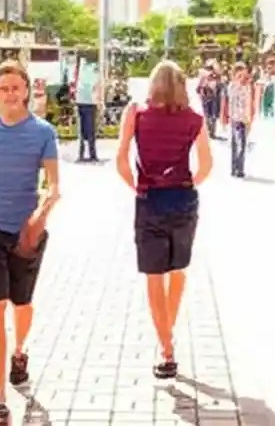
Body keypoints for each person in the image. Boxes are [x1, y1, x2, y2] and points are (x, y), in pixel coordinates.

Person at [0, 60, 61, 426]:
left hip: (27, 232)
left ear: (26, 90)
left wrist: (41, 214)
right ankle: (0, 399)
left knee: (21, 306)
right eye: (3, 88)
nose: (9, 94)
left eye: (15, 87)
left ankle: (19, 352)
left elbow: (54, 186)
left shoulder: (43, 132)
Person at [115, 60, 212, 379]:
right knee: (178, 269)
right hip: (183, 199)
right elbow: (206, 165)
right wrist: (188, 184)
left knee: (154, 275)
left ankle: (166, 347)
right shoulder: (194, 119)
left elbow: (122, 159)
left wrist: (137, 186)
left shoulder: (136, 112)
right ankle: (167, 331)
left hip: (150, 200)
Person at [221, 62, 254, 178]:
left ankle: (238, 167)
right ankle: (235, 167)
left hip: (244, 119)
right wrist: (224, 117)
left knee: (240, 143)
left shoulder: (248, 87)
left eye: (244, 75)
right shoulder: (231, 87)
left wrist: (250, 118)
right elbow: (227, 102)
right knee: (238, 143)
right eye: (239, 75)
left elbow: (250, 103)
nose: (242, 78)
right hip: (235, 118)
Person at [75, 60, 100, 162]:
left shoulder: (81, 70)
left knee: (81, 130)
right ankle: (92, 155)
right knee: (91, 130)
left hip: (80, 101)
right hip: (90, 103)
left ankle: (81, 155)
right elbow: (96, 88)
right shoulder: (95, 71)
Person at [196, 62, 222, 139]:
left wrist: (199, 90)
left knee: (208, 114)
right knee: (213, 115)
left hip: (206, 97)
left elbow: (198, 86)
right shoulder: (217, 76)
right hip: (213, 97)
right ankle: (212, 132)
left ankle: (210, 130)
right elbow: (220, 85)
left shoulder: (203, 75)